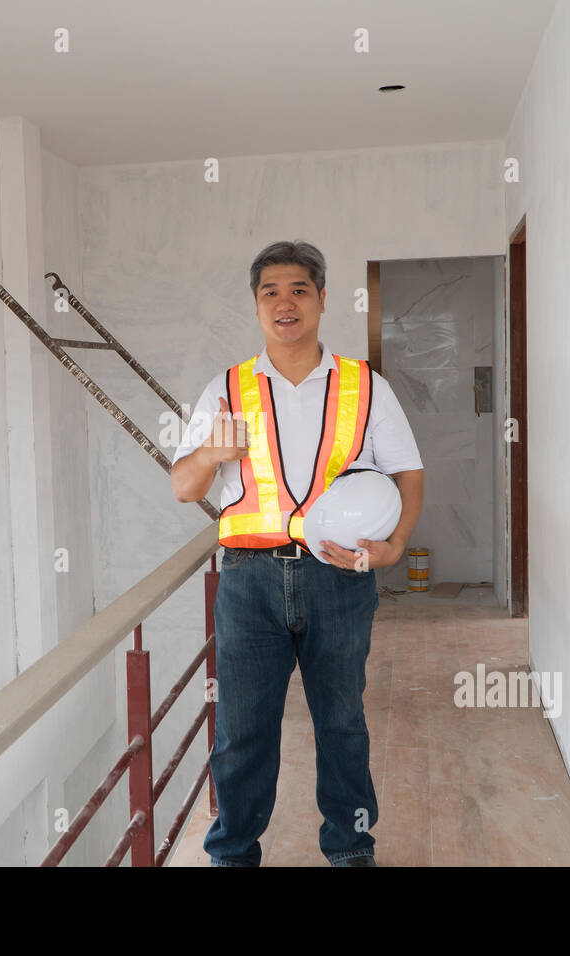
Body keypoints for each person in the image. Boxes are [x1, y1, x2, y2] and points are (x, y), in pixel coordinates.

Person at [170, 239, 424, 867]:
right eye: (270, 292)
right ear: (257, 306)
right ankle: (232, 854)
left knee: (342, 724)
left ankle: (350, 849)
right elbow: (183, 486)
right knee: (240, 733)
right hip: (250, 581)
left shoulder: (364, 385)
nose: (285, 303)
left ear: (321, 300)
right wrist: (211, 455)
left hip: (338, 576)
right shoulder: (227, 388)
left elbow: (408, 471)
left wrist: (393, 549)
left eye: (298, 290)